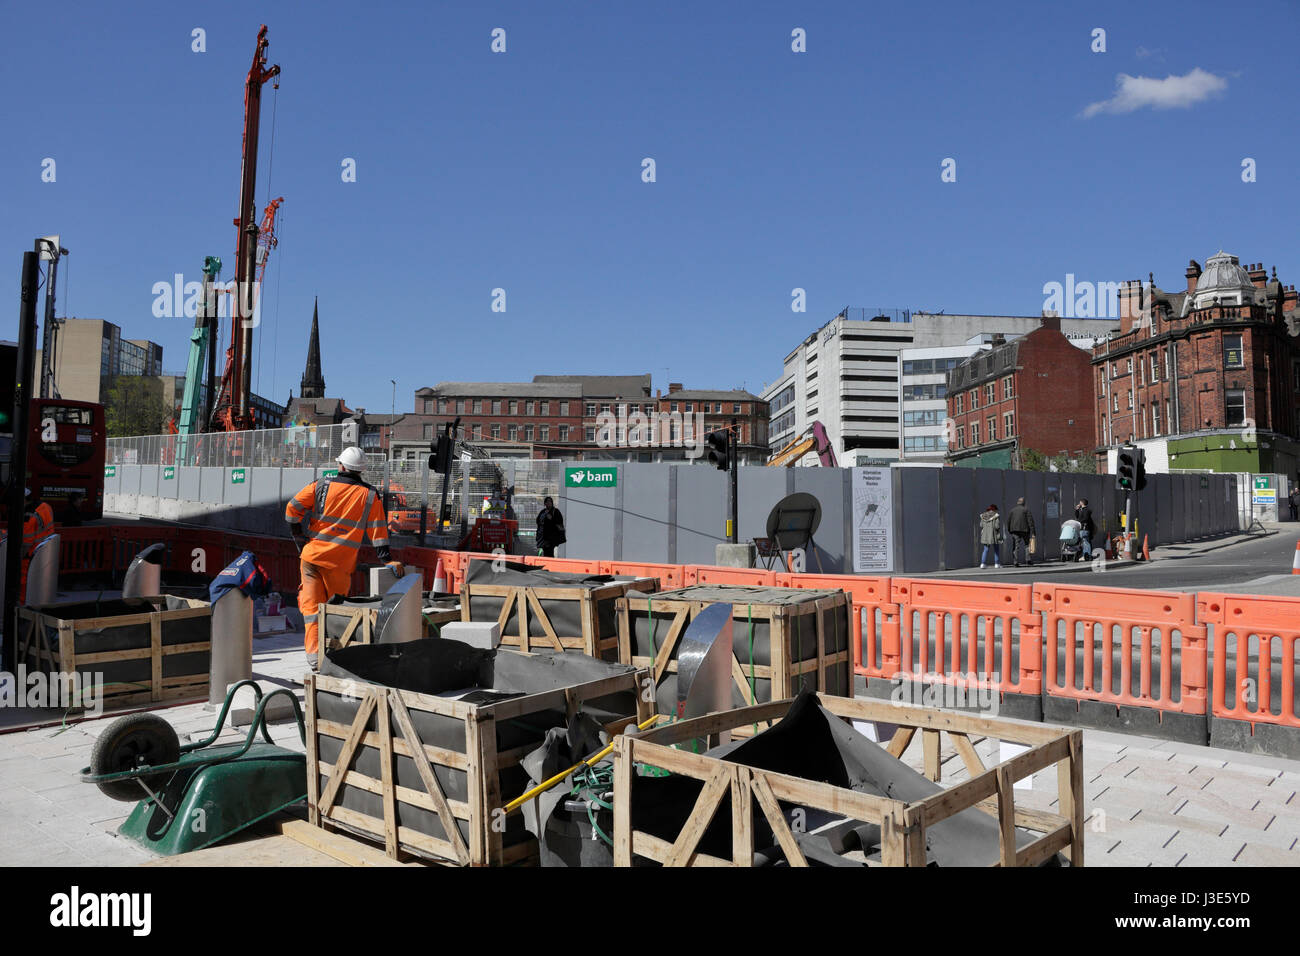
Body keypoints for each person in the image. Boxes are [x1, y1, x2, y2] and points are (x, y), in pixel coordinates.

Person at [285, 446, 404, 668]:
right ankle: (335, 658)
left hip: (311, 558)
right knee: (336, 611)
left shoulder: (321, 485)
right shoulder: (369, 495)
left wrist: (299, 538)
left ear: (340, 466)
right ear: (361, 470)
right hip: (339, 563)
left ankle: (314, 660)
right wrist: (386, 559)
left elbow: (292, 510)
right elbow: (378, 531)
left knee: (311, 610)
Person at [1006, 496, 1036, 567]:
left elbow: (1008, 521)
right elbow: (1030, 522)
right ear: (1024, 503)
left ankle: (1015, 562)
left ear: (1017, 503)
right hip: (1025, 530)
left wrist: (1009, 530)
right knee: (1027, 545)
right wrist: (1033, 532)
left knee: (1016, 546)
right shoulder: (1026, 510)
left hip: (1015, 531)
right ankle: (1028, 560)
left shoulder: (1012, 510)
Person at [978, 503, 1002, 569]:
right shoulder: (996, 516)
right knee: (996, 549)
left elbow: (981, 525)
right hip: (993, 535)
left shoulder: (983, 516)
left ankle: (982, 564)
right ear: (994, 510)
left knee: (985, 549)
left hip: (985, 535)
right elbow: (997, 526)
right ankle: (997, 564)